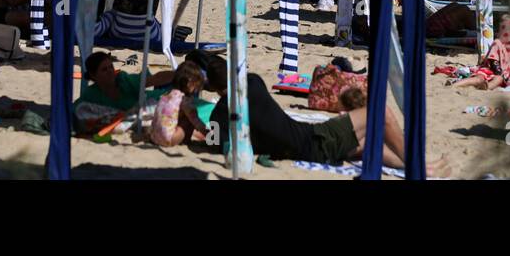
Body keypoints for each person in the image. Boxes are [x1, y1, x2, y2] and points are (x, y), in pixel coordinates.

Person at [203, 53, 413, 169]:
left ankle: (413, 166)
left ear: (211, 87)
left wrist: (194, 119)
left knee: (369, 146)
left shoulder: (220, 115)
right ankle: (415, 163)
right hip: (314, 140)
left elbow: (212, 143)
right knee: (380, 112)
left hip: (311, 147)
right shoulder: (253, 83)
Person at [150, 60, 208, 147]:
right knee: (189, 118)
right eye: (196, 85)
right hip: (168, 139)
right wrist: (209, 134)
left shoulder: (166, 95)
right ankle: (186, 141)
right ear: (189, 83)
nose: (196, 89)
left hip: (154, 137)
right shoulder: (183, 100)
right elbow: (196, 121)